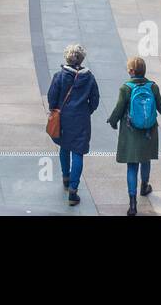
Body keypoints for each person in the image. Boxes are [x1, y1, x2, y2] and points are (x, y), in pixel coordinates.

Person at [106, 55, 161, 216]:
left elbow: (118, 109)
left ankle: (133, 204)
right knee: (145, 159)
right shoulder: (153, 87)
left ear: (131, 71)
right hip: (149, 132)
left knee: (132, 166)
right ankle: (144, 186)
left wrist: (112, 121)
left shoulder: (125, 88)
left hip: (131, 132)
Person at [47, 44, 100, 207]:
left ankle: (66, 177)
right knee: (78, 152)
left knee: (64, 146)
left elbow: (52, 98)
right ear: (82, 59)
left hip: (63, 118)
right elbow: (95, 100)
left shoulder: (59, 76)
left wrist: (55, 110)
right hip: (81, 120)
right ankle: (73, 191)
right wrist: (86, 111)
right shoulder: (89, 77)